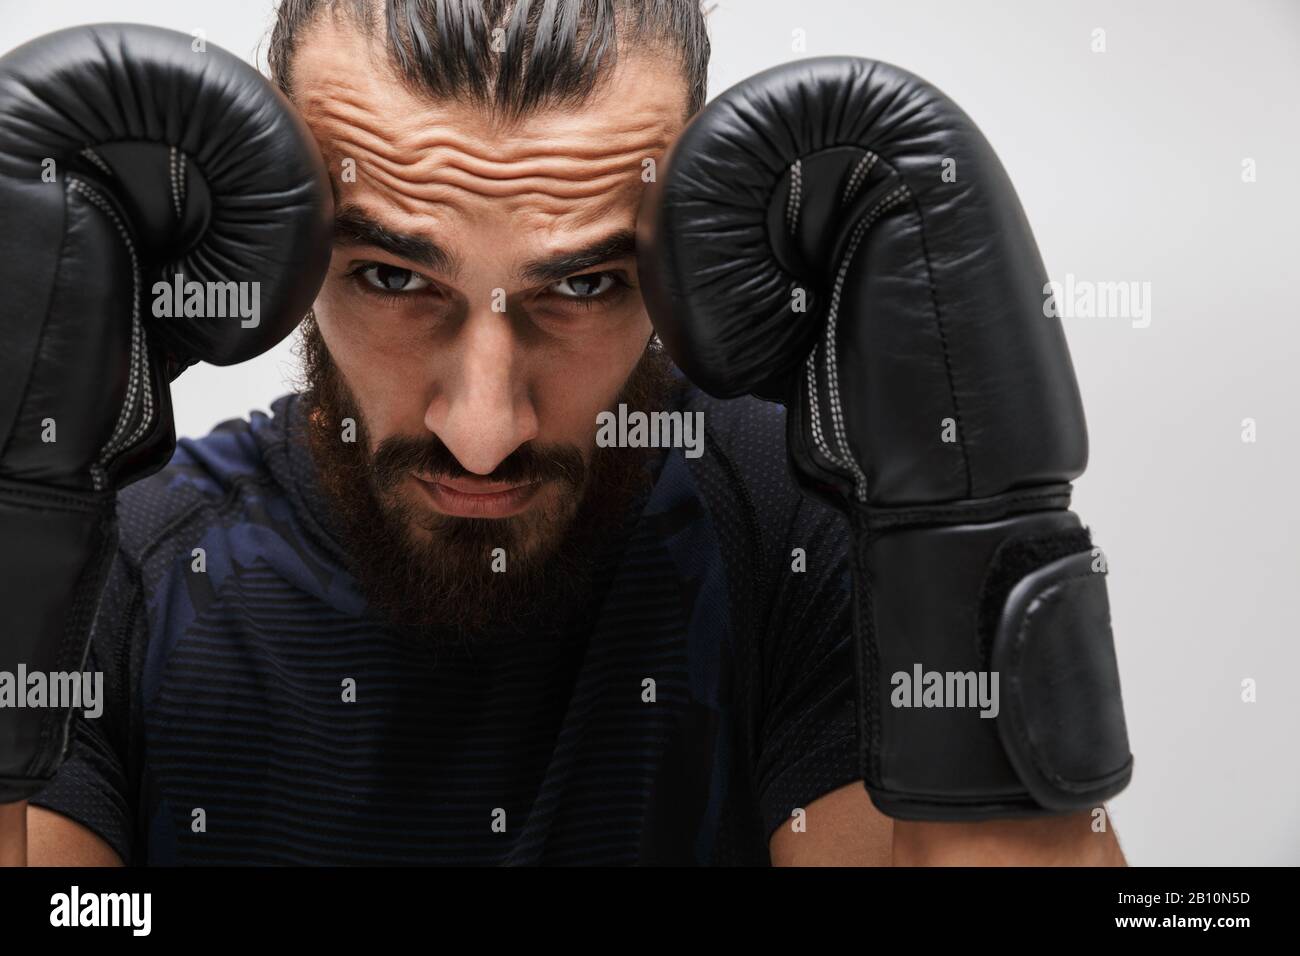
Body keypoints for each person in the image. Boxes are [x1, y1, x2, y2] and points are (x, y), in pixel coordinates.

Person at [2, 1, 1127, 866]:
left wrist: (970, 526)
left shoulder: (800, 535)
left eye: (584, 284)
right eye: (394, 275)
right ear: (274, 236)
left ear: (699, 247)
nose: (484, 429)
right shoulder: (128, 569)